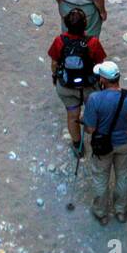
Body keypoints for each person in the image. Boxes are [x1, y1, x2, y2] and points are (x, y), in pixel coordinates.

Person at [82, 62, 127, 224]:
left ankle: (101, 212)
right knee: (123, 177)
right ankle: (121, 211)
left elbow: (90, 129)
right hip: (125, 143)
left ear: (103, 79)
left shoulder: (94, 99)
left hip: (102, 147)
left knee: (101, 178)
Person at [47, 8, 107, 158]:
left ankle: (77, 146)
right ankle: (98, 140)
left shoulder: (59, 41)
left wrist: (55, 77)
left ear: (66, 24)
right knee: (95, 114)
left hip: (66, 86)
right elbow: (100, 65)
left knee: (72, 115)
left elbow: (54, 63)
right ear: (85, 25)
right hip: (89, 88)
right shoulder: (93, 43)